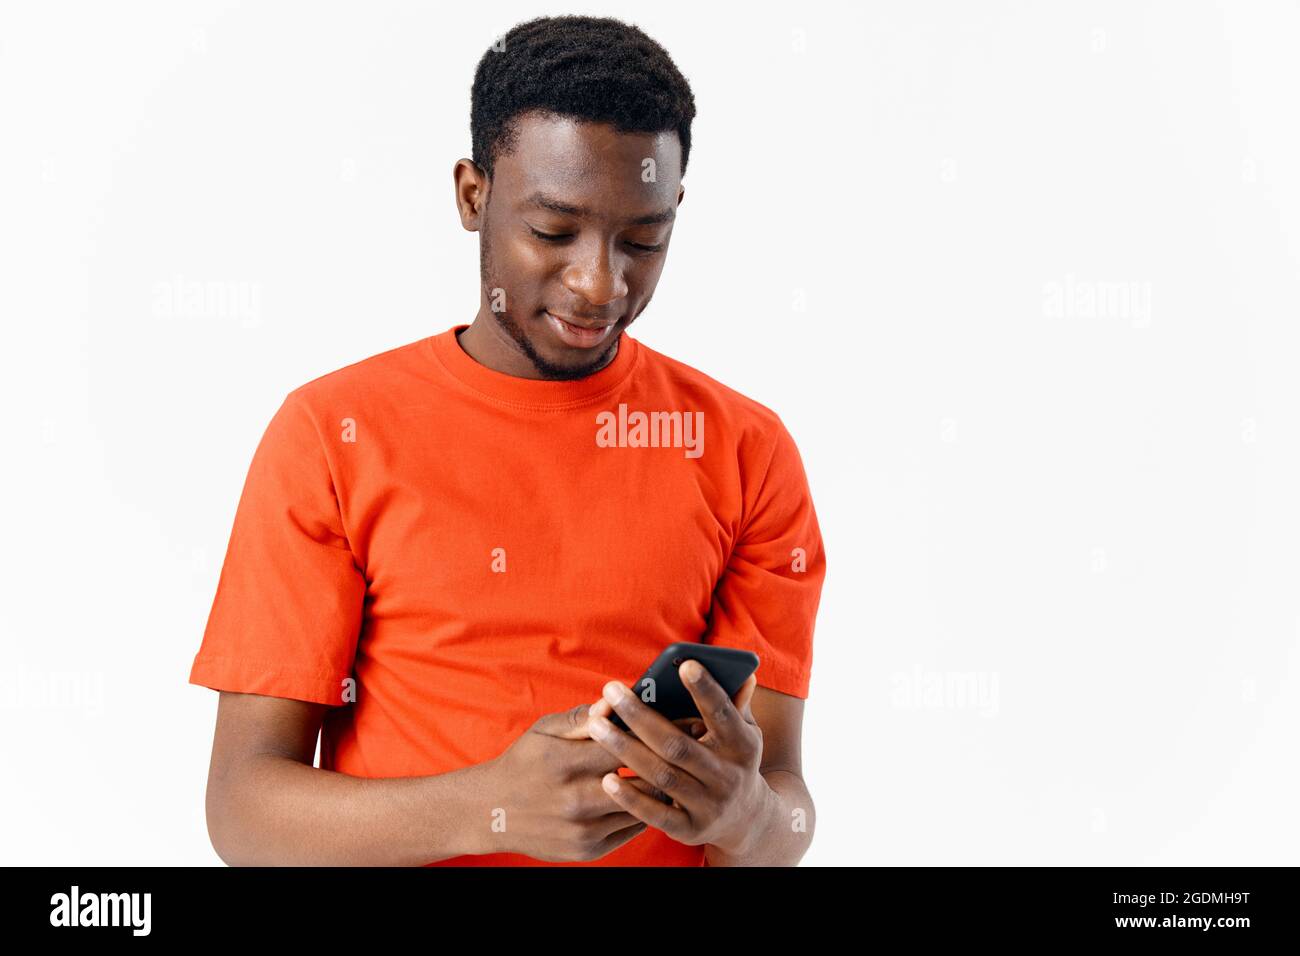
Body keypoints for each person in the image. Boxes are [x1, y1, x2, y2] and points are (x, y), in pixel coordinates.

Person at [190, 14, 827, 866]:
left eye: (643, 239)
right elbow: (241, 809)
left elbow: (785, 804)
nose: (600, 282)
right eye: (553, 231)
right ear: (472, 195)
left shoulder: (747, 449)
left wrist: (743, 818)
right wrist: (486, 808)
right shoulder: (331, 435)